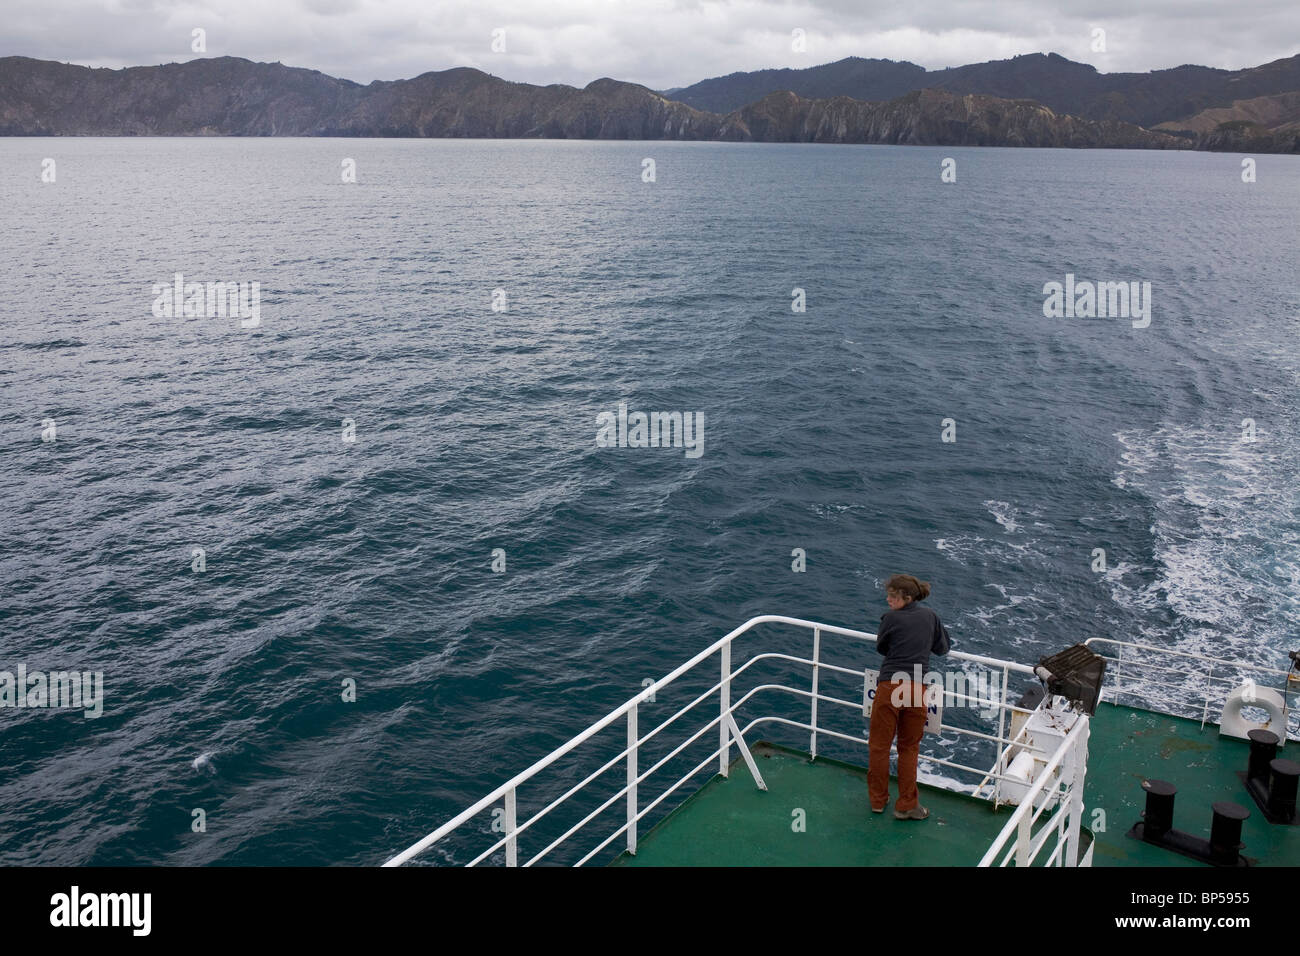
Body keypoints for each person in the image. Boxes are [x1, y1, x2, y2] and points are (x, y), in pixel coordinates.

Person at [867, 574, 951, 820]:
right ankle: (906, 805)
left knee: (880, 746)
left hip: (890, 686)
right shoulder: (930, 616)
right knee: (909, 748)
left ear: (907, 598)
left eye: (892, 596)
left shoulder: (889, 619)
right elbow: (942, 648)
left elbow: (882, 647)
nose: (888, 599)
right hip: (916, 688)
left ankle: (878, 801)